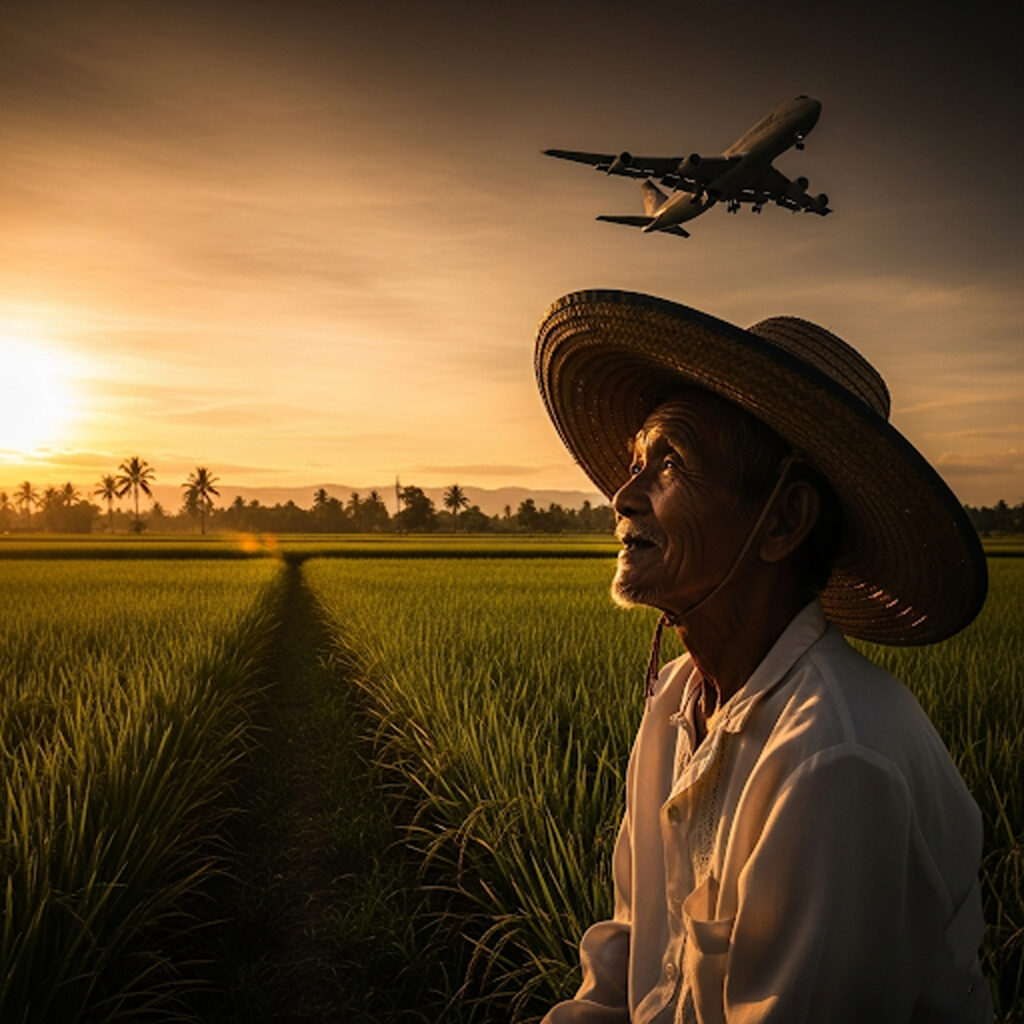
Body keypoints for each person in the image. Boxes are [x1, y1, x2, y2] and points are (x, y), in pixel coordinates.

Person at [534, 290, 992, 1024]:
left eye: (670, 463)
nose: (623, 497)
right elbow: (631, 958)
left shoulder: (836, 757)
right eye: (636, 463)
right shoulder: (677, 702)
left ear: (782, 519)